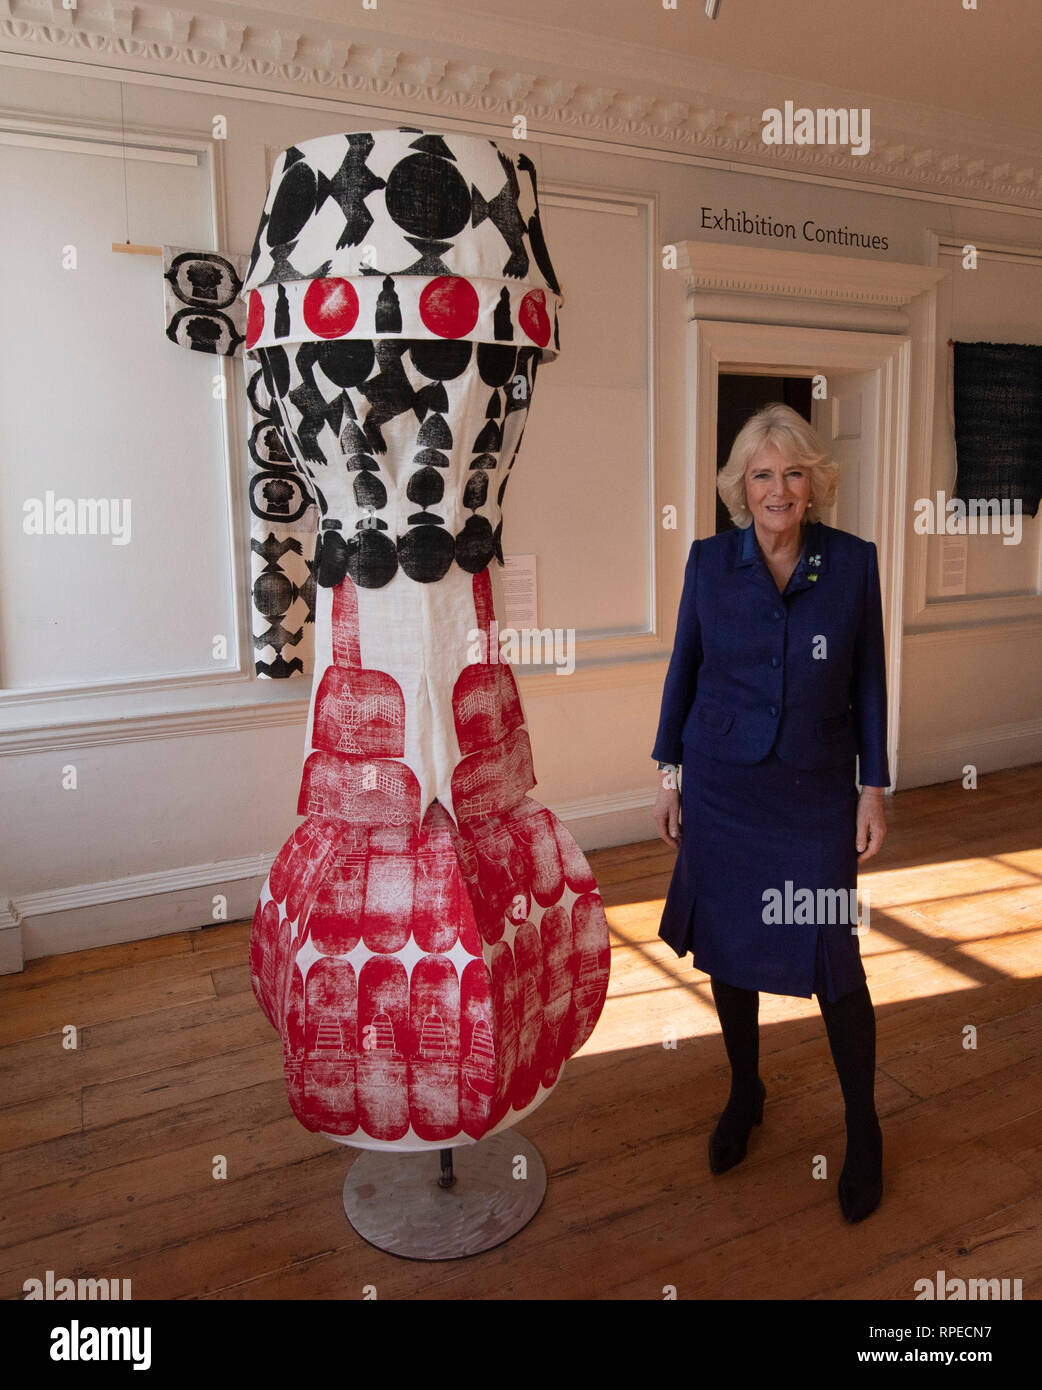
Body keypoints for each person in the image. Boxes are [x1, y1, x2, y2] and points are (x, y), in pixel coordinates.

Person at [651, 401, 889, 1224]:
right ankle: (745, 1090)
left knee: (835, 962)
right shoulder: (710, 563)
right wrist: (669, 772)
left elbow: (868, 682)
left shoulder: (852, 564)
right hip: (723, 784)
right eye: (762, 475)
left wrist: (874, 786)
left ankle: (864, 1131)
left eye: (793, 473)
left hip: (816, 792)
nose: (778, 490)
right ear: (742, 489)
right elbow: (684, 667)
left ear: (813, 484)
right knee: (729, 947)